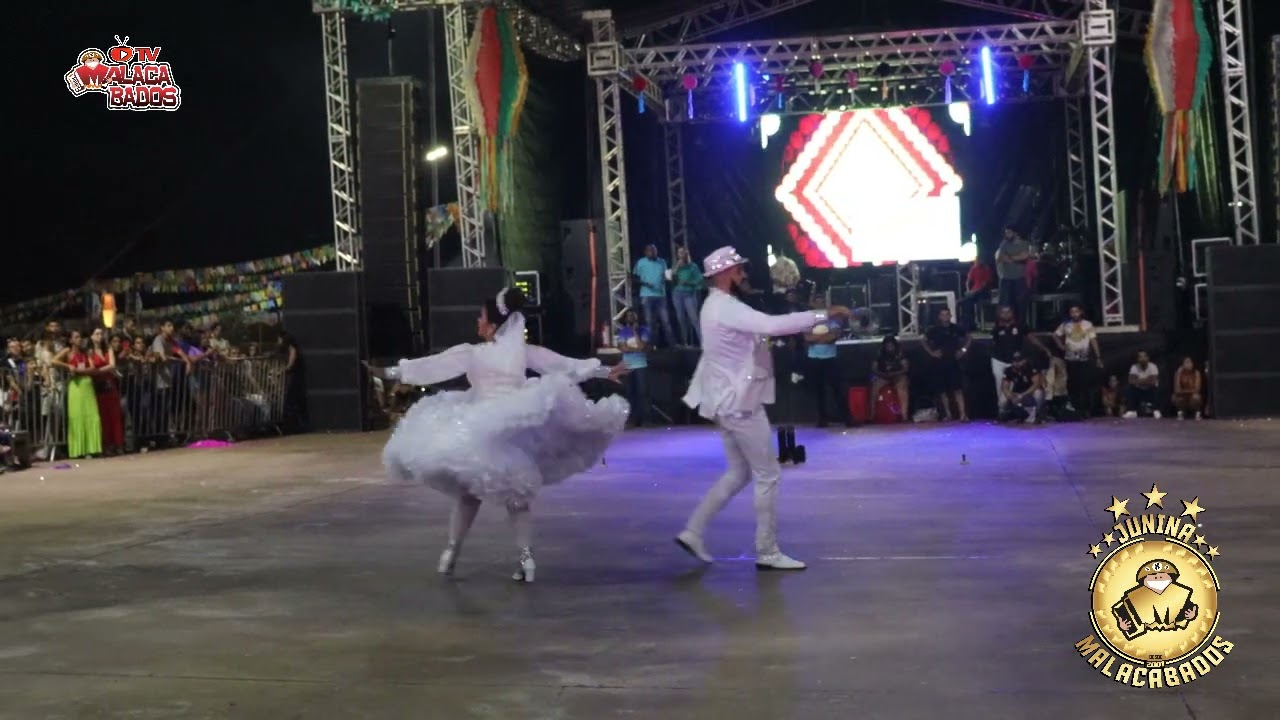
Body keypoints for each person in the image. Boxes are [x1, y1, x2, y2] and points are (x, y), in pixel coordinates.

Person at [366, 288, 630, 583]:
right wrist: (605, 371)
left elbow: (432, 366)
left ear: (492, 326)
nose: (477, 322)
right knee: (516, 497)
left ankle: (450, 554)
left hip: (479, 427)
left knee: (468, 495)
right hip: (513, 428)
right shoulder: (521, 352)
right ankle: (526, 561)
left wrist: (389, 372)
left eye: (481, 318)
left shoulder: (473, 353)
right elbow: (564, 365)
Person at [675, 247, 852, 571]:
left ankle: (693, 530)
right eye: (739, 270)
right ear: (724, 274)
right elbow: (771, 325)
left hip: (727, 402)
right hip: (739, 403)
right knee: (768, 474)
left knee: (738, 473)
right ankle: (767, 551)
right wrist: (822, 314)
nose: (744, 274)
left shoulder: (715, 306)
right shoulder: (724, 307)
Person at [802, 294, 852, 428]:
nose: (820, 305)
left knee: (839, 389)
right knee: (819, 391)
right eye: (817, 303)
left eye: (822, 302)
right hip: (814, 359)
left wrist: (817, 338)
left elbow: (833, 336)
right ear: (813, 304)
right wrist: (824, 337)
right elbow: (807, 338)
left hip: (830, 358)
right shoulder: (807, 319)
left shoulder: (833, 318)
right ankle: (822, 419)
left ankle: (847, 419)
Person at [1053, 305, 1103, 418]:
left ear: (1081, 312)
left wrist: (1098, 357)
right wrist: (1061, 346)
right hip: (1071, 359)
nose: (1074, 314)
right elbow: (1055, 335)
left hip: (1084, 358)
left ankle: (1085, 409)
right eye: (1072, 312)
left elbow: (1093, 340)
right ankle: (1074, 408)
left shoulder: (1087, 324)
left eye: (1076, 311)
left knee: (1084, 384)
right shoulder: (1066, 324)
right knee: (1072, 384)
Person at [922, 308, 970, 422]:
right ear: (939, 317)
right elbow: (923, 340)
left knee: (957, 389)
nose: (945, 317)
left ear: (950, 316)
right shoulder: (934, 330)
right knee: (942, 390)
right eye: (942, 315)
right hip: (940, 362)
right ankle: (948, 414)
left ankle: (963, 414)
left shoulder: (956, 328)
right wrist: (931, 353)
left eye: (947, 314)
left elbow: (969, 337)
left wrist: (963, 350)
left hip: (954, 361)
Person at [632, 244, 674, 348]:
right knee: (649, 321)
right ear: (646, 252)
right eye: (650, 251)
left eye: (654, 251)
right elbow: (635, 278)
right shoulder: (640, 262)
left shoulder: (662, 262)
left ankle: (672, 344)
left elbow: (668, 277)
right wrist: (645, 283)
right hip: (646, 294)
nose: (652, 253)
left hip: (661, 295)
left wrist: (668, 278)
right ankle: (652, 345)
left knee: (665, 321)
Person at [615, 308, 651, 427]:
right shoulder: (622, 332)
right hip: (628, 366)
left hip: (640, 365)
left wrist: (635, 332)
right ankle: (633, 419)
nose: (631, 318)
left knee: (643, 393)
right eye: (629, 316)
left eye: (633, 315)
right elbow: (623, 348)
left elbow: (641, 346)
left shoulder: (644, 330)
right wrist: (636, 349)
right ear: (625, 318)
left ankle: (646, 419)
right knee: (630, 393)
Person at [995, 227, 1033, 321]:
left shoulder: (1024, 244)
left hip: (1019, 278)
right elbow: (999, 257)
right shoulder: (1004, 244)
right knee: (1005, 304)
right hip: (1006, 279)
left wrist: (1009, 257)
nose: (1007, 234)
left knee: (1020, 304)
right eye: (1006, 232)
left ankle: (1020, 325)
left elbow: (1024, 256)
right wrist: (1016, 258)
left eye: (1009, 232)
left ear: (1015, 233)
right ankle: (1004, 325)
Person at [870, 336, 910, 422]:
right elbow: (874, 368)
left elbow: (906, 368)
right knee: (874, 386)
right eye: (887, 346)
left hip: (898, 375)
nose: (889, 348)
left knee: (902, 385)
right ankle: (872, 416)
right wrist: (882, 374)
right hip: (883, 376)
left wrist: (895, 373)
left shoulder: (900, 353)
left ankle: (904, 416)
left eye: (891, 346)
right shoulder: (880, 353)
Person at [671, 245, 704, 347]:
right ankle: (684, 343)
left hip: (689, 294)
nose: (680, 255)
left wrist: (688, 282)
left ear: (686, 254)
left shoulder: (693, 266)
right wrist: (677, 266)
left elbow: (699, 281)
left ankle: (703, 343)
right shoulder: (677, 266)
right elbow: (671, 277)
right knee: (681, 319)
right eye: (679, 253)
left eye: (682, 252)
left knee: (694, 319)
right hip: (677, 294)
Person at [999, 352, 1044, 423]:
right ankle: (1003, 415)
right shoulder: (1008, 370)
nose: (1017, 363)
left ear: (1024, 360)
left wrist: (1022, 395)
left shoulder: (1031, 368)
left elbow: (1036, 384)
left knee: (1038, 393)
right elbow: (1004, 387)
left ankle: (1038, 415)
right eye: (1014, 361)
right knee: (1002, 399)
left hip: (1030, 391)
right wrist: (1011, 397)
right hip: (1017, 392)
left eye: (1019, 360)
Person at [1124, 351, 1161, 419]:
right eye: (1140, 357)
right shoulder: (1134, 367)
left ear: (1148, 358)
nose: (1142, 359)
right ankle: (1132, 411)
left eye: (1144, 356)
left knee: (1156, 388)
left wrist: (1138, 380)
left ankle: (1156, 410)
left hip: (1150, 390)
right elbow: (1131, 381)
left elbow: (1153, 381)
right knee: (1129, 388)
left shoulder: (1153, 366)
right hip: (1138, 391)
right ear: (1137, 359)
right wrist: (1147, 379)